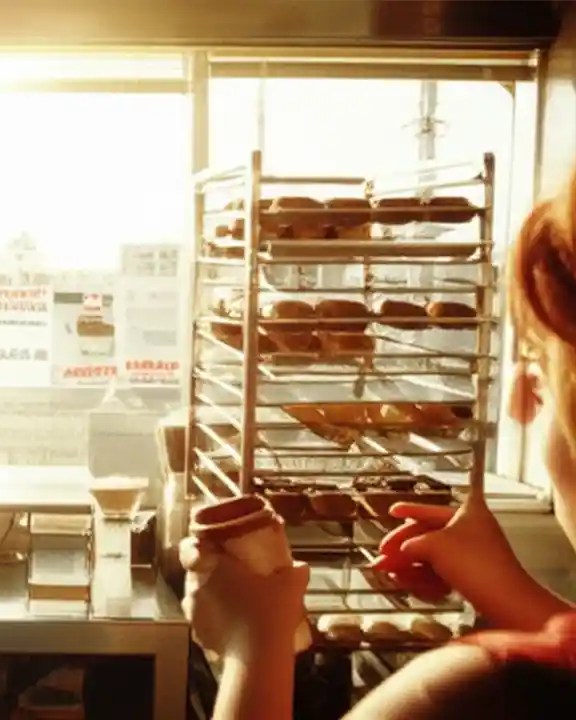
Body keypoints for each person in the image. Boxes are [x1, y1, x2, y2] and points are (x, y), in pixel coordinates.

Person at [181, 183, 576, 719]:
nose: (518, 405)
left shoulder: (483, 686)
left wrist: (253, 642)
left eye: (539, 371)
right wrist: (509, 591)